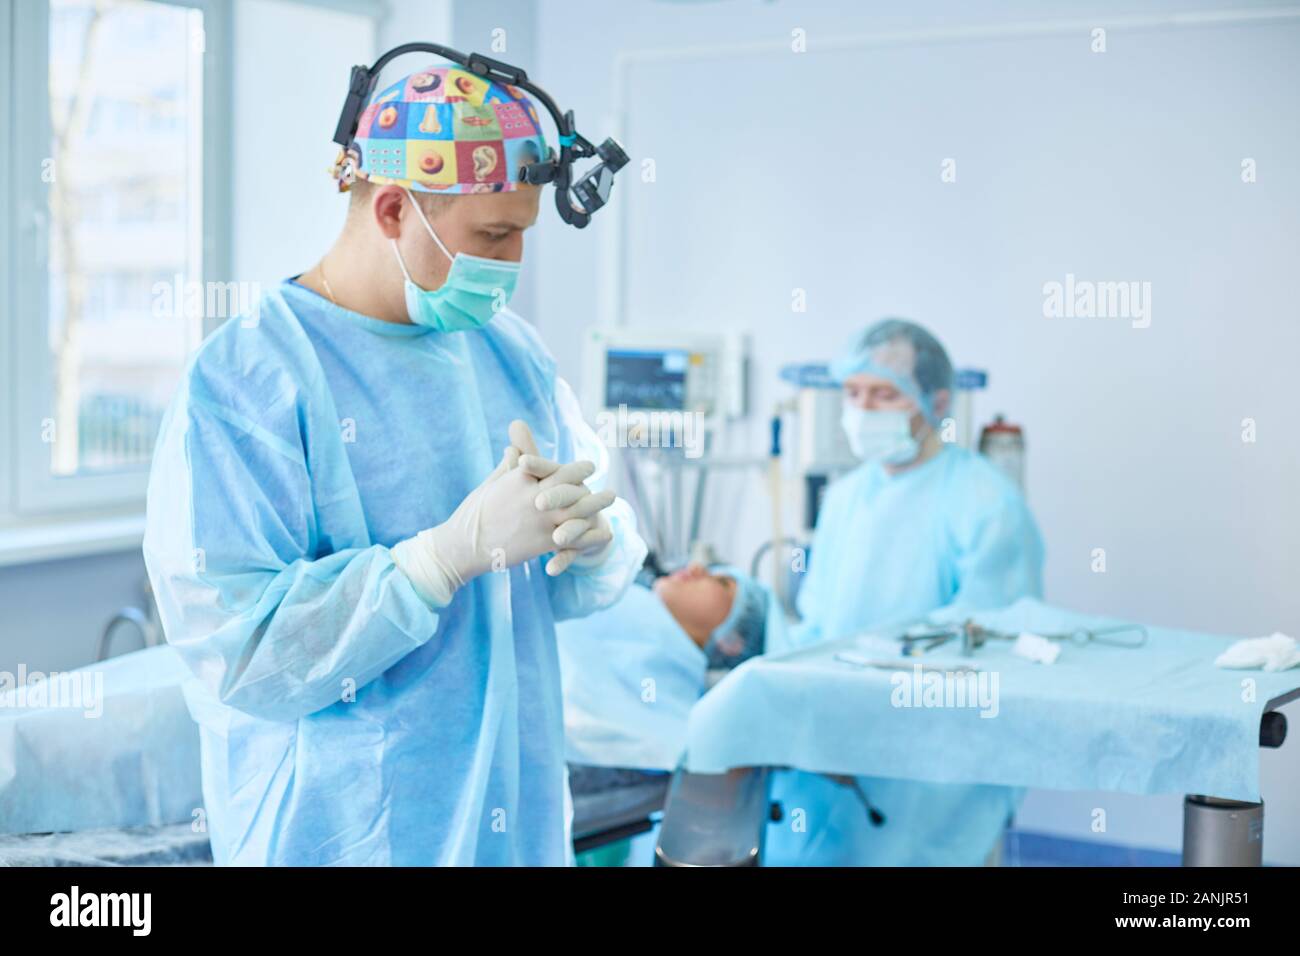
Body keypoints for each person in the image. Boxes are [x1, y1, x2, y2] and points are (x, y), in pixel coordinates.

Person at [142, 62, 646, 866]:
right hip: (341, 833)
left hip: (513, 818)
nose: (512, 263)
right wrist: (436, 563)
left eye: (522, 232)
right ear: (391, 209)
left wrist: (596, 540)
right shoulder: (247, 382)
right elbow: (235, 648)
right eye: (492, 237)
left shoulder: (508, 350)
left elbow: (592, 555)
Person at [764, 318, 1045, 866]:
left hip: (931, 759)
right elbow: (818, 627)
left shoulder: (987, 503)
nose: (863, 410)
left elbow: (994, 651)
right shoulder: (847, 497)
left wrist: (881, 718)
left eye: (884, 394)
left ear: (935, 401)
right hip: (835, 743)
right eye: (852, 393)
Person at [557, 563, 771, 771]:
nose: (697, 567)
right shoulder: (616, 594)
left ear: (732, 643)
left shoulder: (674, 723)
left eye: (722, 583)